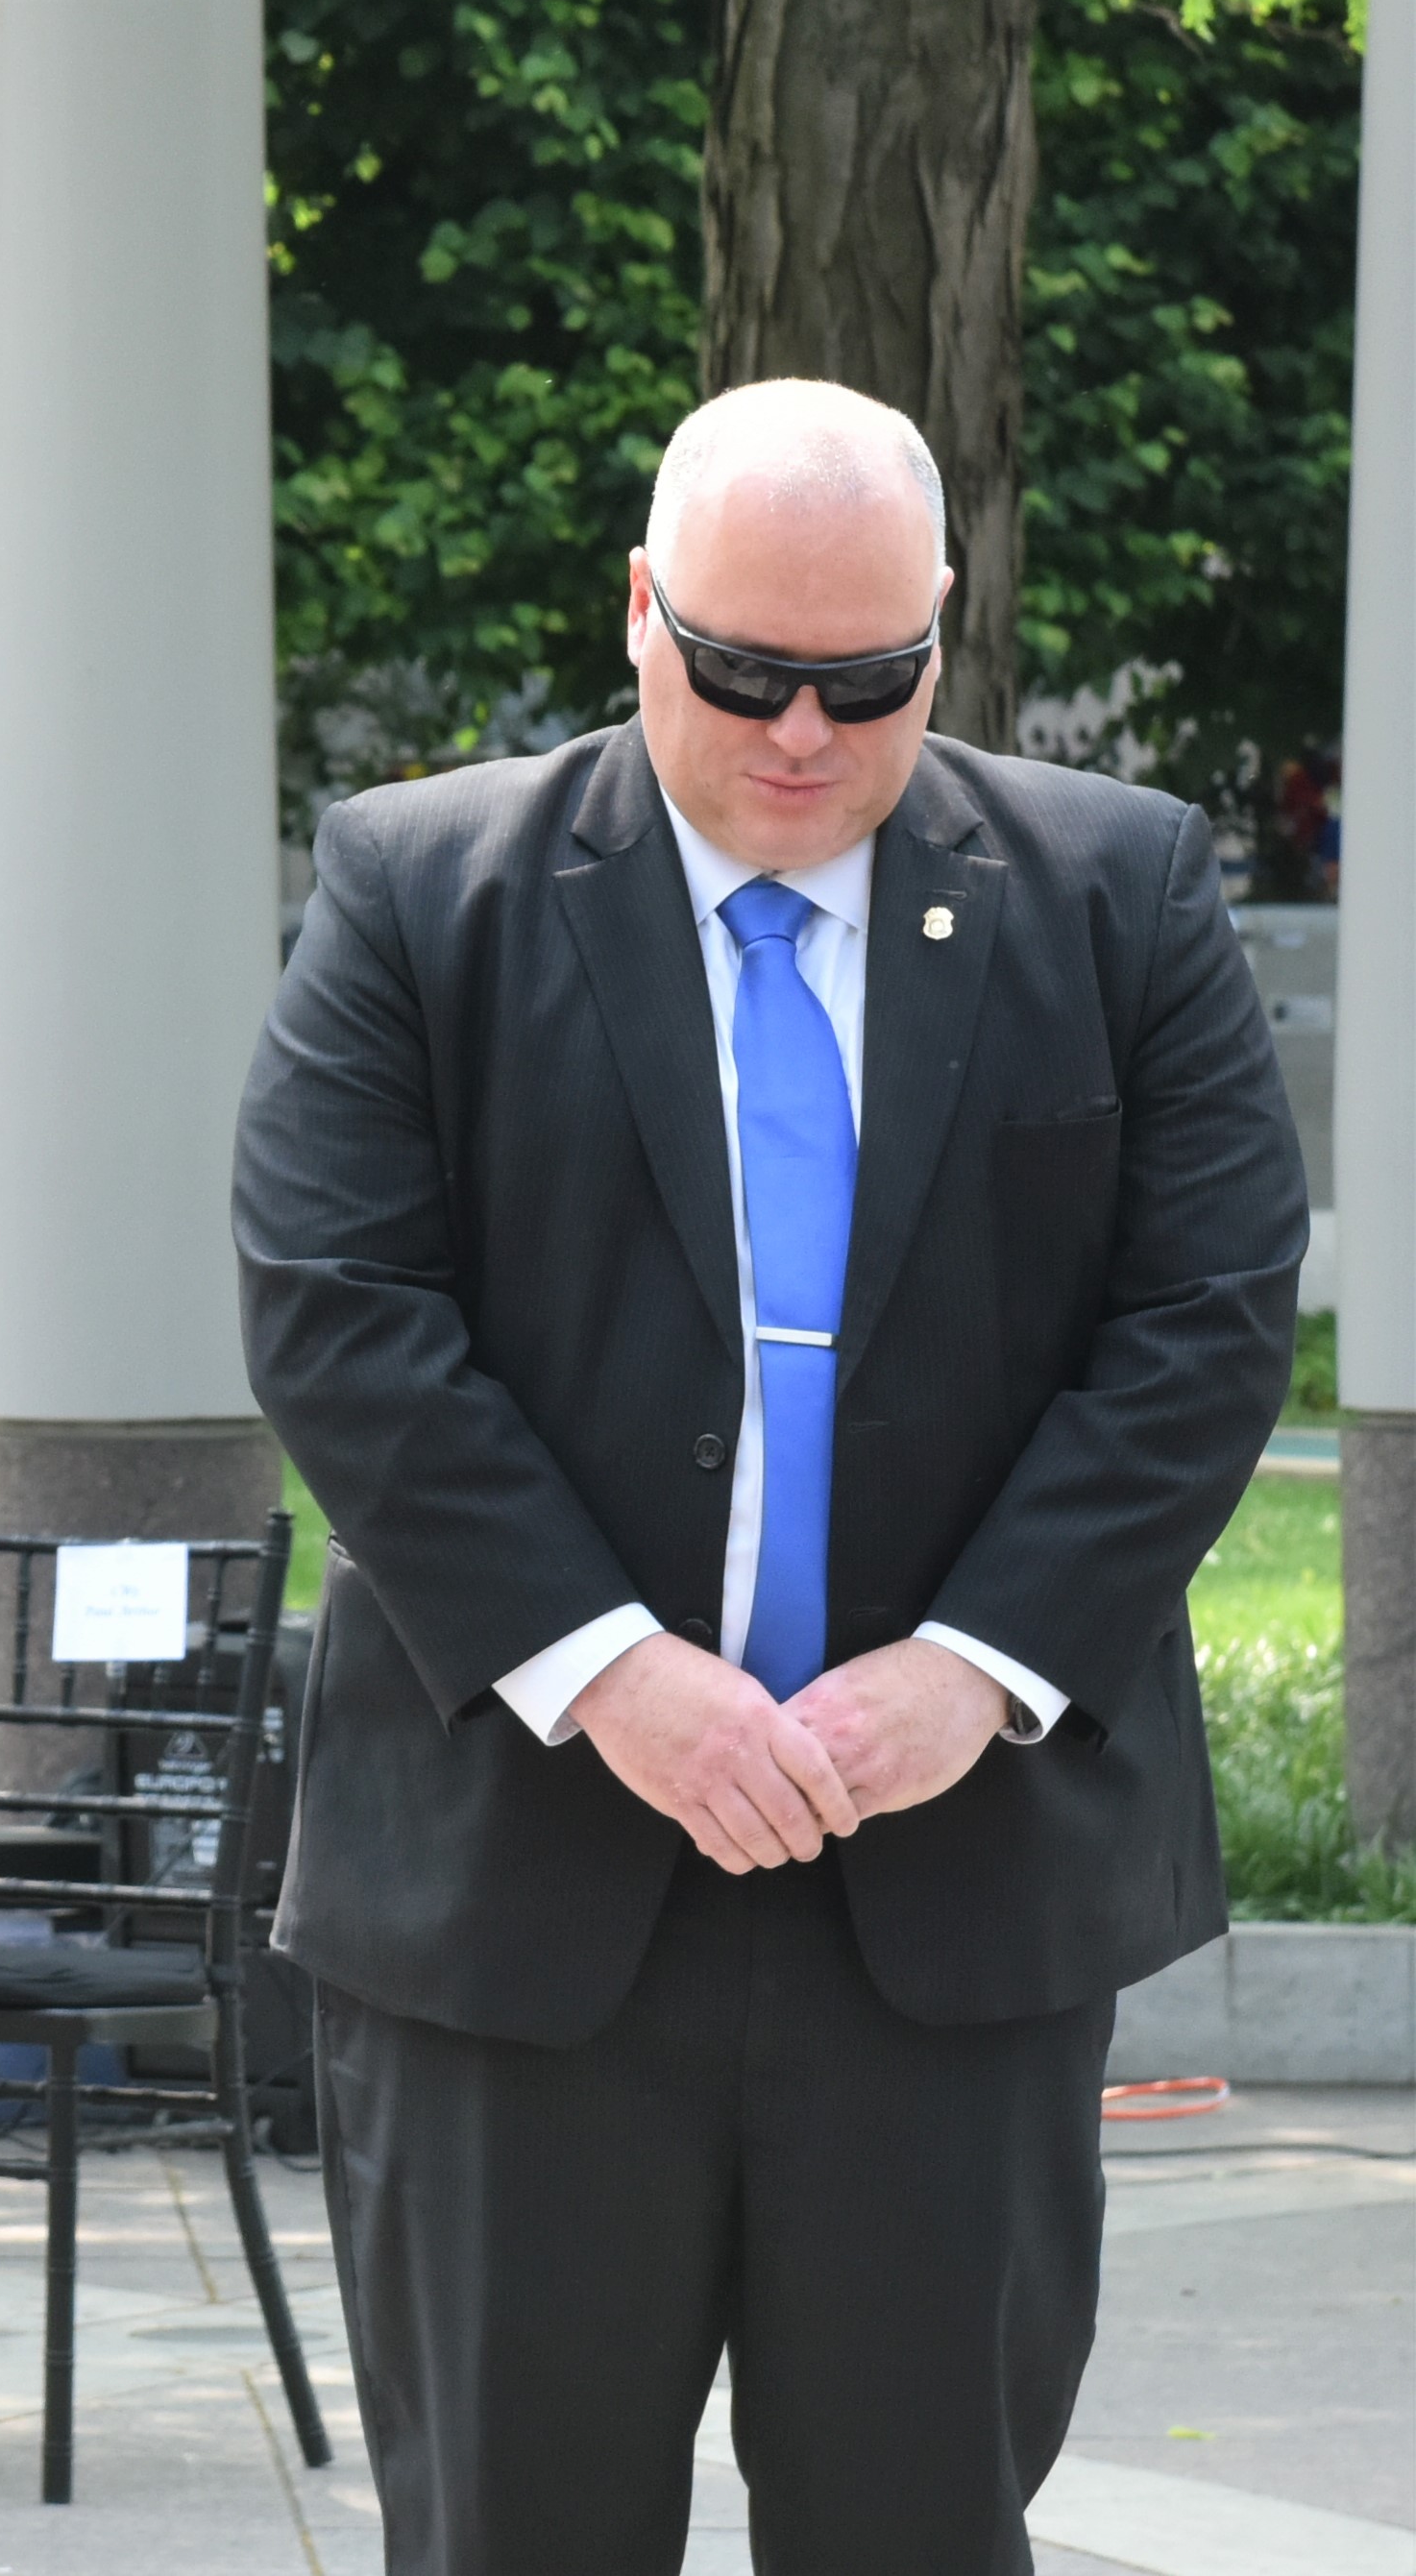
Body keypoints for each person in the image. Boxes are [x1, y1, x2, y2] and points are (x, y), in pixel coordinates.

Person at [233, 377, 1304, 2574]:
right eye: (736, 670)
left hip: (953, 1888)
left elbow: (1201, 1320)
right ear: (638, 609)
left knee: (918, 2531)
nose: (798, 730)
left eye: (862, 676)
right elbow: (340, 1311)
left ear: (942, 625)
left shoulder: (1116, 891)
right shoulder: (418, 888)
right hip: (520, 1891)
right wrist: (612, 1672)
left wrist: (977, 1666)